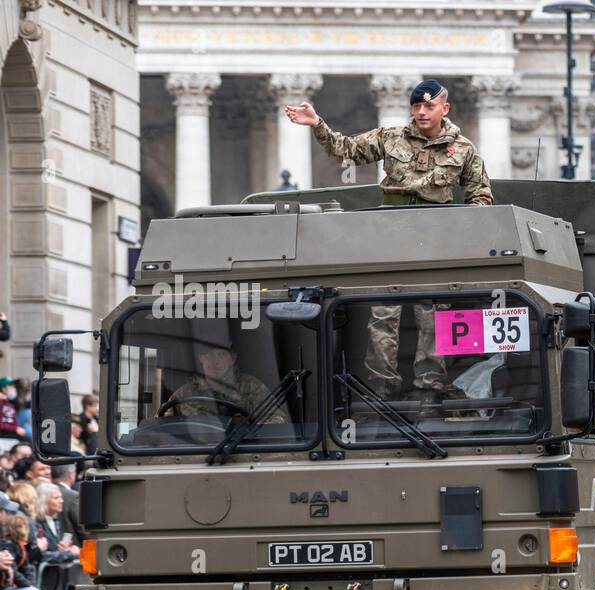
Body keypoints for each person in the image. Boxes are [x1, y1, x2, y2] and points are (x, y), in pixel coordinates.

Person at [288, 78, 493, 401]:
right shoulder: (391, 137)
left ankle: (430, 386)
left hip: (434, 235)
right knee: (384, 313)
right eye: (416, 106)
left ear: (445, 108)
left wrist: (464, 231)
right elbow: (347, 150)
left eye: (429, 106)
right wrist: (317, 124)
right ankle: (381, 386)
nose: (422, 112)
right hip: (391, 232)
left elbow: (480, 194)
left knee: (433, 312)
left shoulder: (463, 149)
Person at [166, 342, 284, 423]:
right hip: (194, 455)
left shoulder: (252, 387)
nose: (214, 361)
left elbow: (277, 420)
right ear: (201, 358)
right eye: (209, 355)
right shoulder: (185, 393)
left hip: (240, 453)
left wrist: (254, 429)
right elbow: (162, 425)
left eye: (221, 355)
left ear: (232, 359)